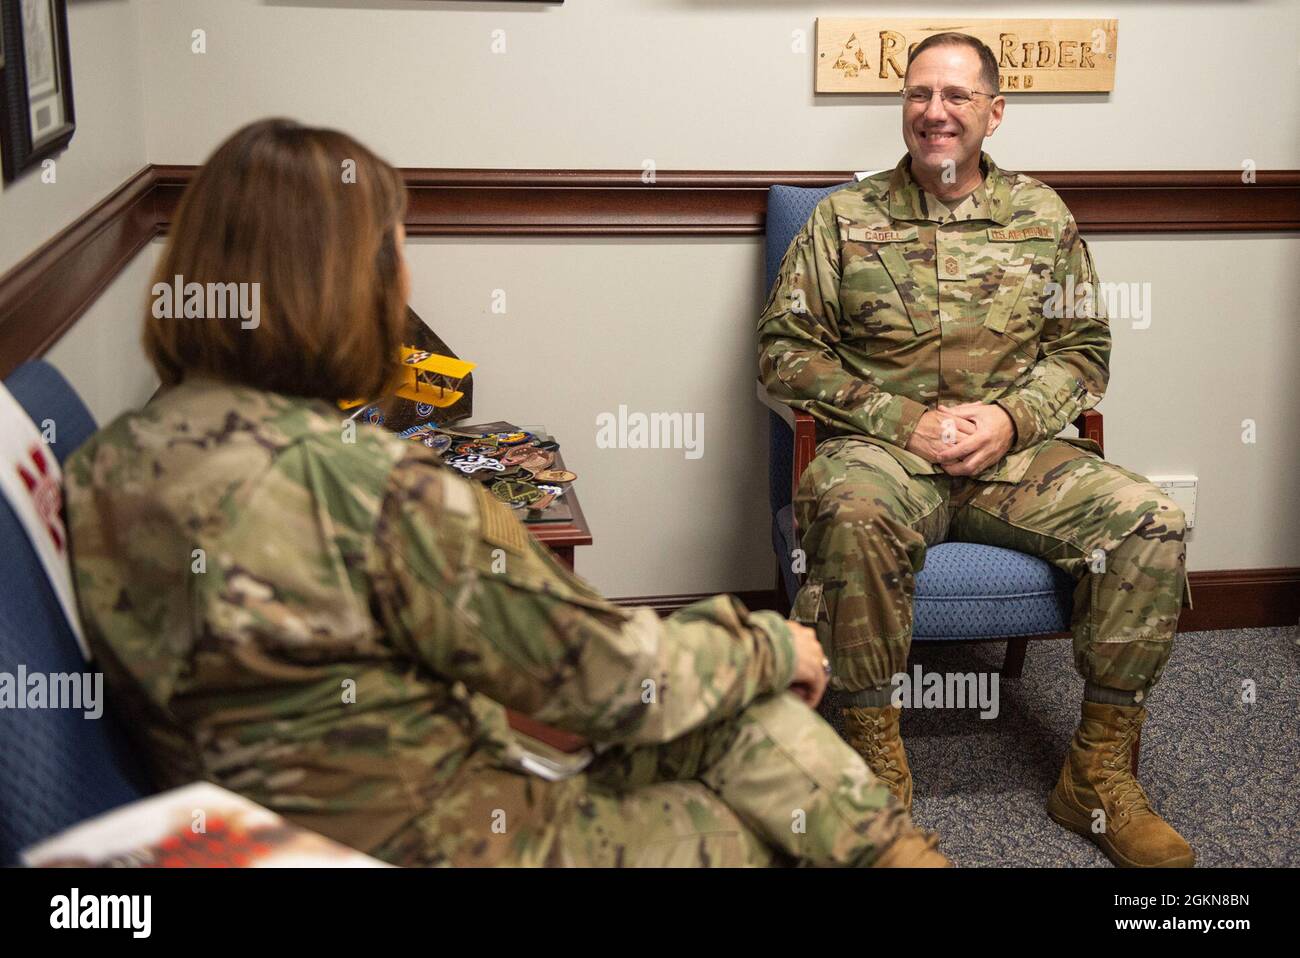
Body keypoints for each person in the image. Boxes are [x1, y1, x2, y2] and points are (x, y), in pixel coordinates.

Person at [65, 118, 947, 867]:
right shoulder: (366, 489)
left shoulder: (108, 464)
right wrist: (767, 645)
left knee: (742, 723)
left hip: (287, 818)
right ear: (346, 289)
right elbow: (605, 680)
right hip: (458, 836)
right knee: (770, 815)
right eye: (396, 252)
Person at [757, 33, 1193, 868]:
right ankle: (874, 771)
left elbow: (1083, 349)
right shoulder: (843, 220)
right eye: (920, 94)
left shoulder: (1043, 216)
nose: (935, 112)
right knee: (847, 512)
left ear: (994, 112)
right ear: (904, 110)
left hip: (1014, 460)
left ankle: (1097, 771)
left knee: (1150, 520)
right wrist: (899, 420)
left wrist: (1011, 419)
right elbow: (785, 352)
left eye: (957, 97)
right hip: (882, 455)